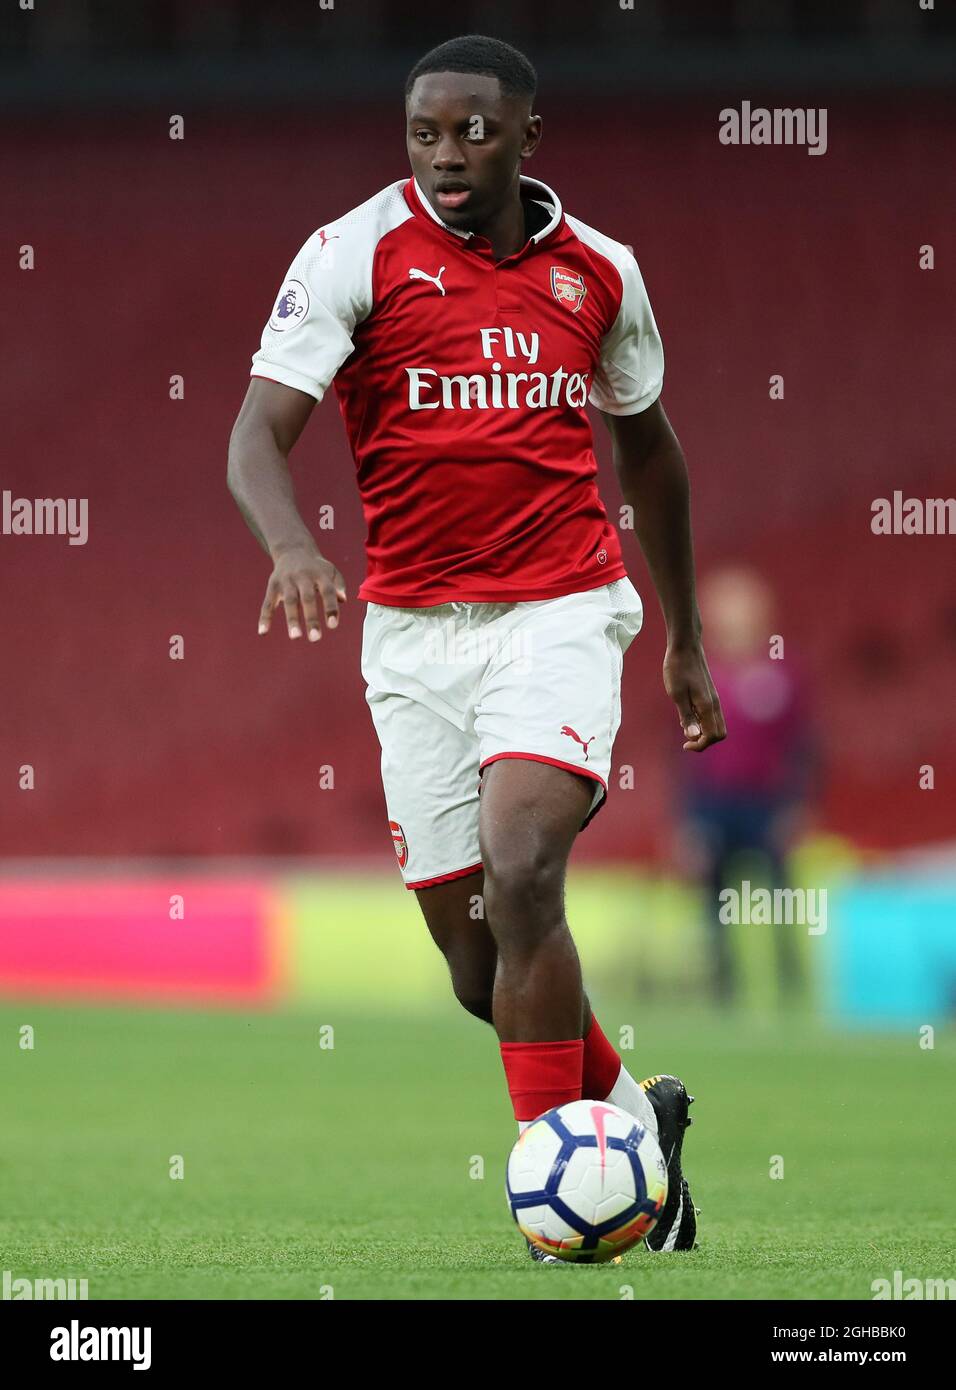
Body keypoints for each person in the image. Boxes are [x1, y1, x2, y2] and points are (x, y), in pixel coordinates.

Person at [228, 33, 725, 1259]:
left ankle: (557, 1202)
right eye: (424, 134)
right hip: (411, 635)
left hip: (559, 611)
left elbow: (650, 455)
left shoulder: (600, 272)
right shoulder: (352, 254)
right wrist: (290, 545)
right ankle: (634, 1128)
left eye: (472, 132)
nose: (446, 156)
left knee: (522, 867)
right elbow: (254, 434)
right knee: (475, 965)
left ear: (525, 136)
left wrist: (681, 637)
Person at [678, 568, 814, 1004]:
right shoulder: (699, 678)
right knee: (714, 903)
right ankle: (724, 990)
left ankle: (790, 986)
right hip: (714, 804)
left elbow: (804, 746)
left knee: (781, 898)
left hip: (767, 804)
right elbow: (683, 755)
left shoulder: (784, 674)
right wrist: (688, 821)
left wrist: (798, 807)